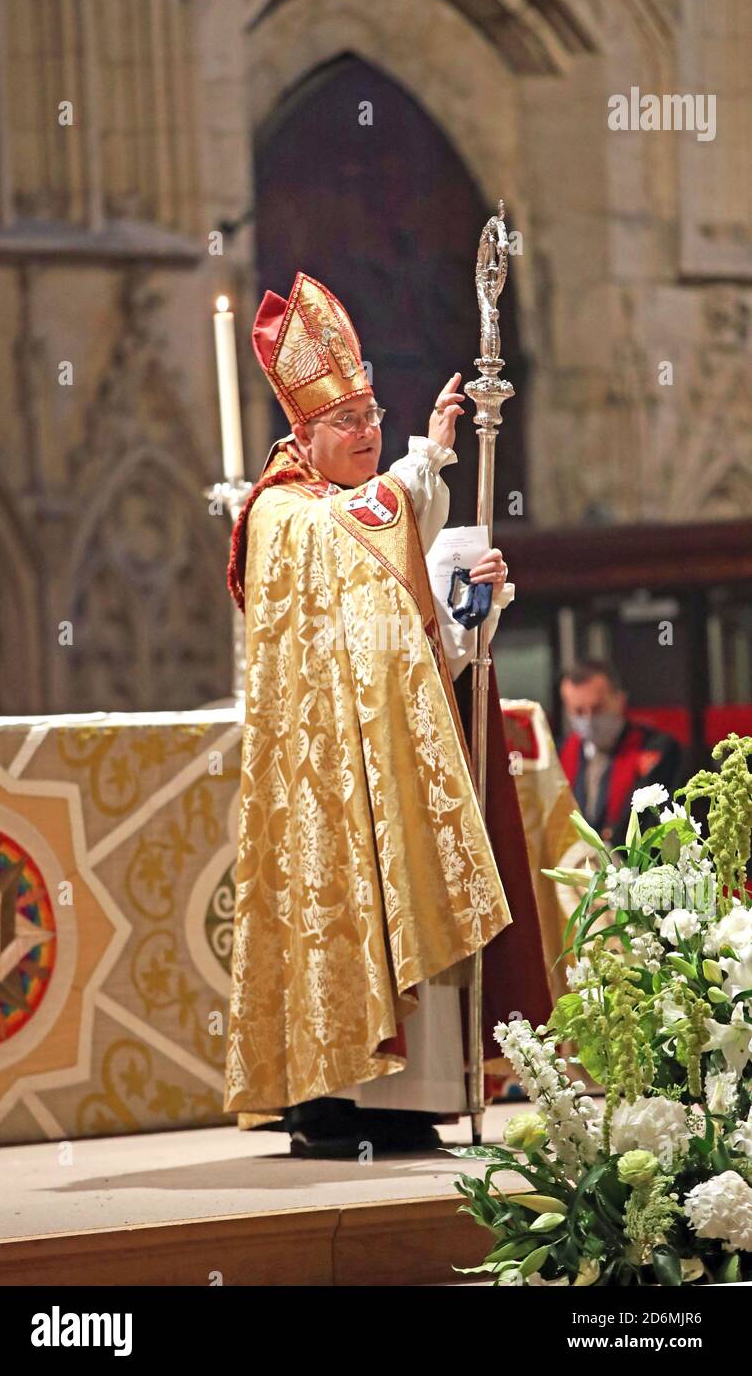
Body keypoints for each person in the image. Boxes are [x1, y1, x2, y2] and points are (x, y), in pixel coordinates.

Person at [224, 271, 552, 1158]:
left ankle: (416, 1102)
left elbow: (402, 603)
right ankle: (330, 1099)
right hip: (325, 779)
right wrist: (425, 464)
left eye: (373, 418)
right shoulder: (281, 517)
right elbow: (372, 541)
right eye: (347, 423)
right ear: (301, 433)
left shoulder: (354, 507)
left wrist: (469, 598)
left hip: (389, 752)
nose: (367, 434)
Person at [559, 658, 685, 848]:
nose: (589, 719)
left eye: (597, 708)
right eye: (578, 712)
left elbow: (656, 820)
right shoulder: (560, 755)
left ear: (619, 699)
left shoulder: (657, 750)